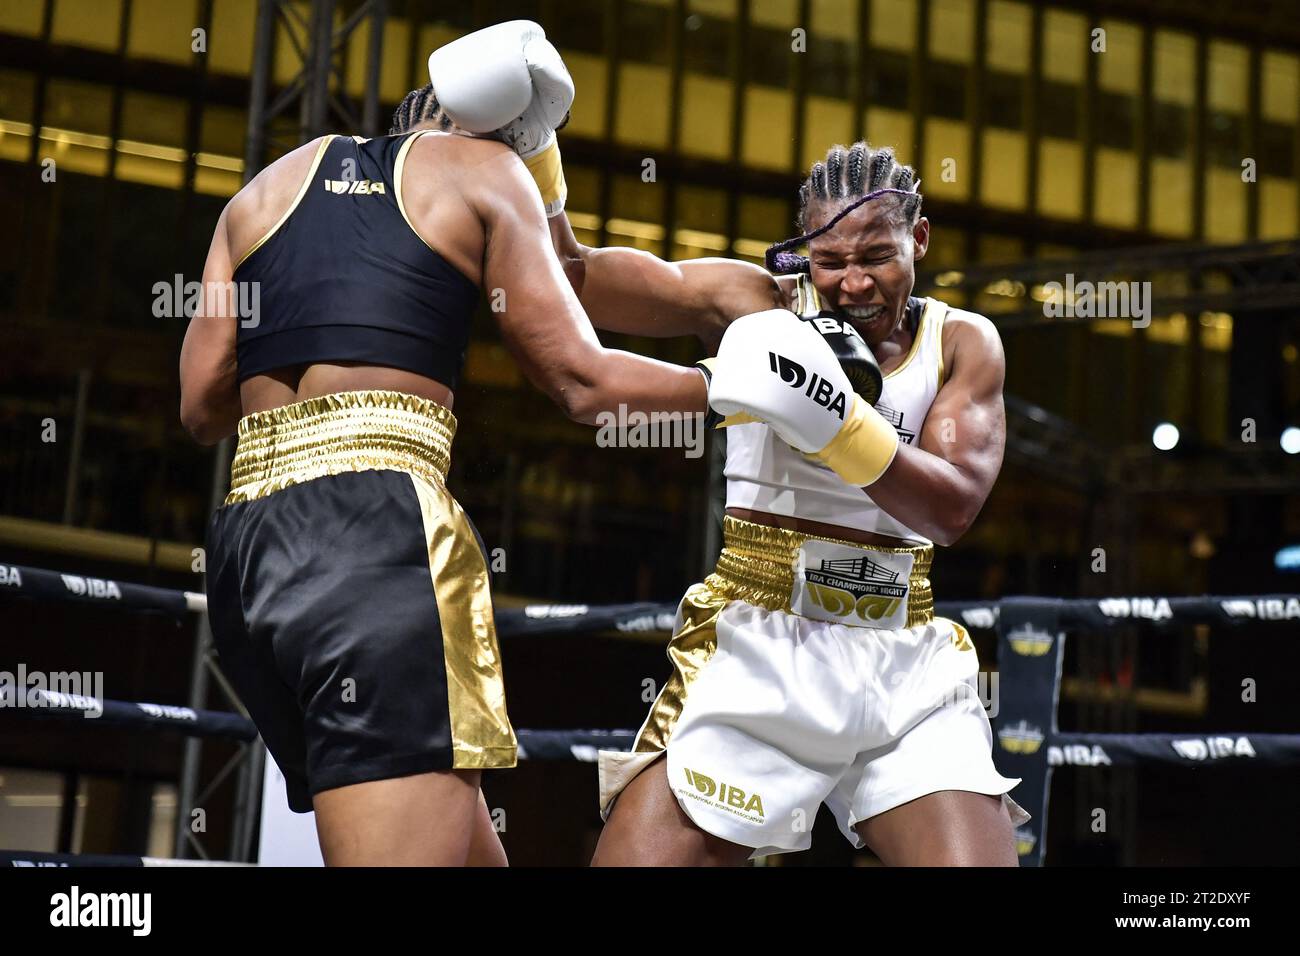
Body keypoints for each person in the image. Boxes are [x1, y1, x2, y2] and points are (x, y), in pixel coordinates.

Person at [177, 21, 806, 866]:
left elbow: (200, 406)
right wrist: (749, 390)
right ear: (488, 136)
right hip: (377, 541)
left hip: (248, 556)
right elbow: (581, 380)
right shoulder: (483, 167)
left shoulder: (259, 194)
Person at [544, 136, 1032, 865]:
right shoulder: (752, 306)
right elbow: (573, 276)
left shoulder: (961, 343)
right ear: (803, 252)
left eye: (875, 258)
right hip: (760, 640)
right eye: (831, 262)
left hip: (905, 656)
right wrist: (535, 157)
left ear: (918, 239)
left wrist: (837, 421)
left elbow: (953, 508)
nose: (854, 284)